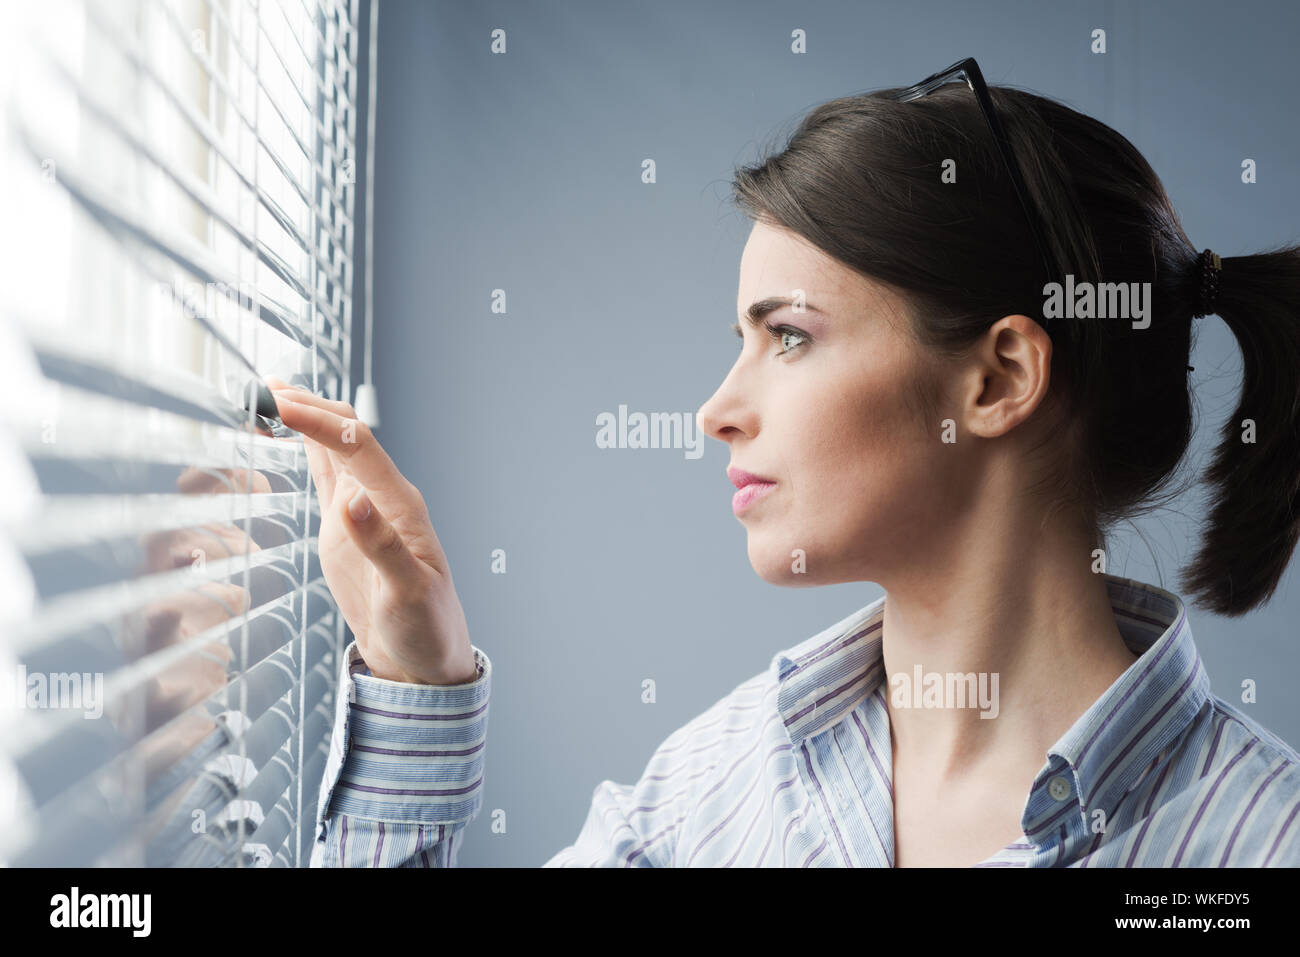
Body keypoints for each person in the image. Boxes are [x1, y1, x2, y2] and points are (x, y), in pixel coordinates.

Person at [289, 74, 1300, 867]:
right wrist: (414, 683)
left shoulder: (1263, 843)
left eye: (789, 337)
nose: (716, 412)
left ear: (998, 378)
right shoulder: (712, 792)